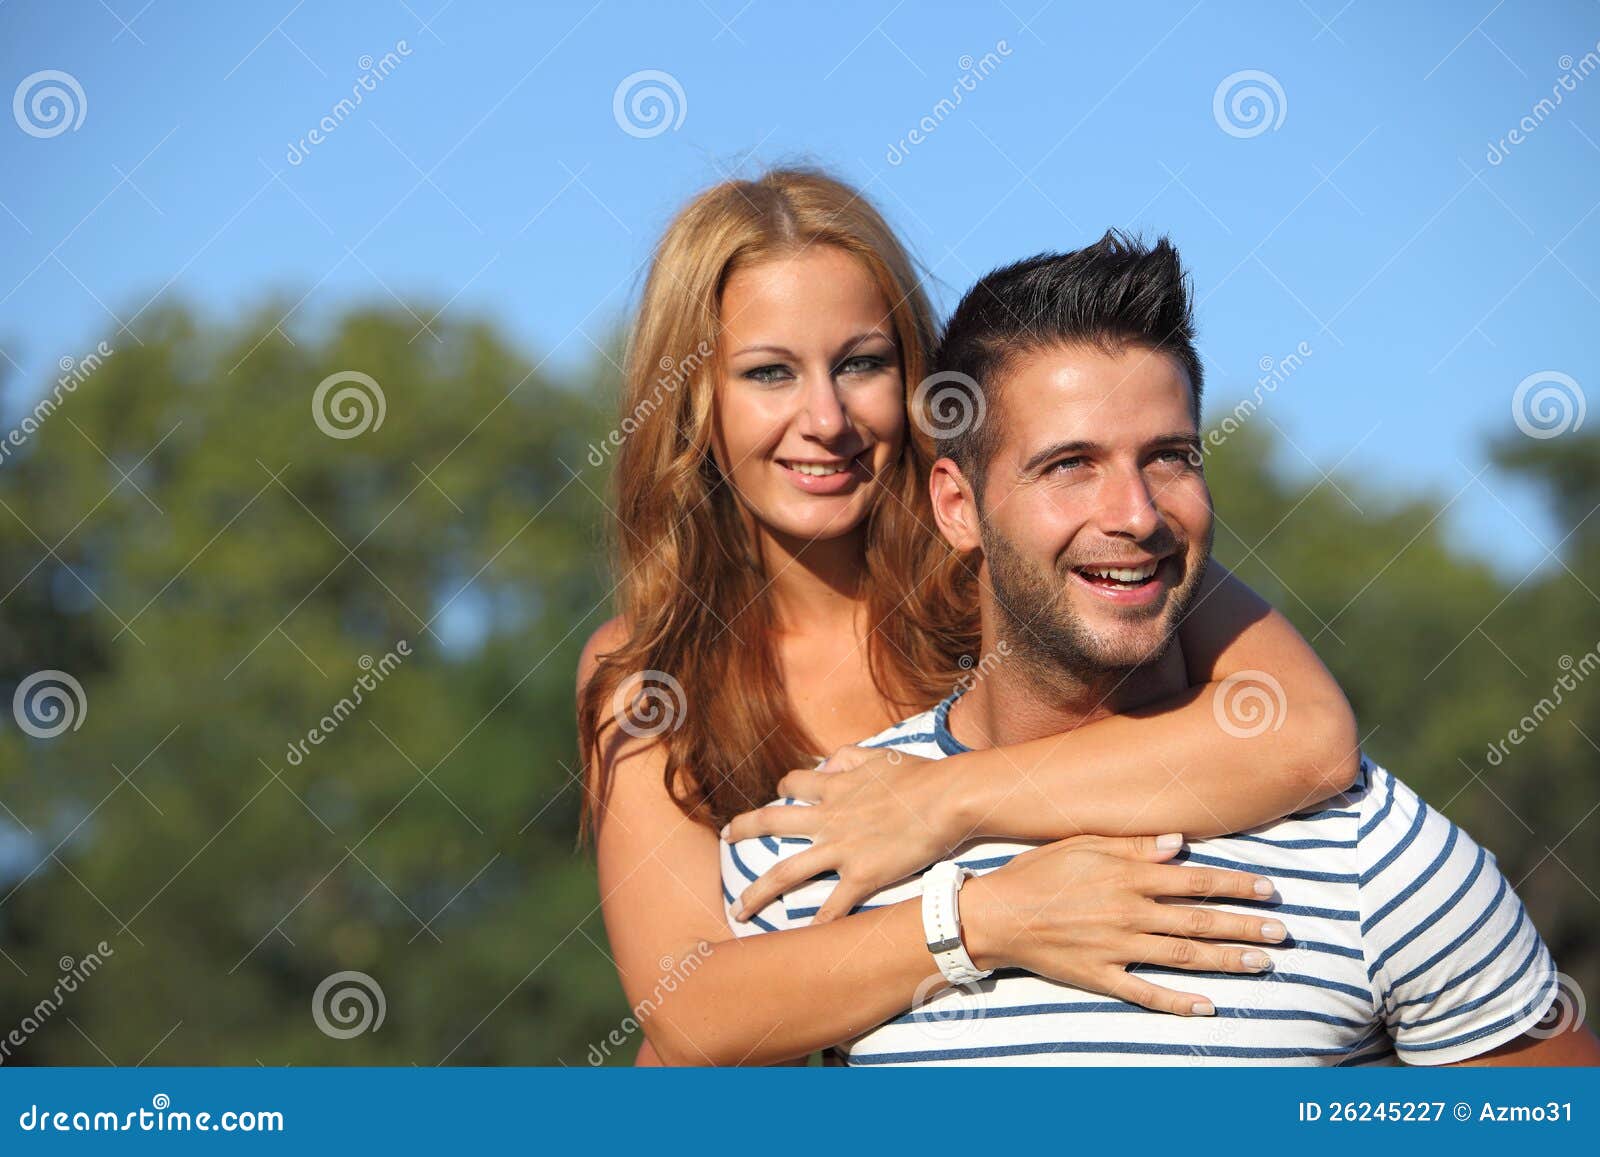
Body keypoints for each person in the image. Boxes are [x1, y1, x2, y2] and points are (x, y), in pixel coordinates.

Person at [723, 232, 1600, 1066]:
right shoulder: (827, 844)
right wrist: (968, 924)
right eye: (1070, 463)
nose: (1137, 515)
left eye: (1170, 457)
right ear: (958, 507)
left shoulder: (1376, 850)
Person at [578, 168, 1363, 1068]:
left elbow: (1305, 737)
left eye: (862, 364)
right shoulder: (652, 665)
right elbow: (689, 1012)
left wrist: (941, 799)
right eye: (769, 373)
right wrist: (984, 918)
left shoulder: (1039, 551)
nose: (826, 417)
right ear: (693, 401)